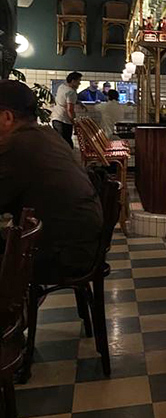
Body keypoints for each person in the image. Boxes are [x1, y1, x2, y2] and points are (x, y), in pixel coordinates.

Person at [0, 80, 103, 283]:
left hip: (63, 255)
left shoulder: (17, 145)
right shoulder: (47, 135)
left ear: (6, 117)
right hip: (83, 245)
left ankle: (11, 313)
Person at [52, 71, 82, 147]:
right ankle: (69, 158)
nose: (79, 83)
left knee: (60, 143)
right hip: (64, 121)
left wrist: (78, 102)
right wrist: (74, 123)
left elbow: (65, 99)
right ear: (73, 81)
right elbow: (70, 110)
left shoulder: (61, 87)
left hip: (55, 118)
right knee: (67, 144)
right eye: (79, 81)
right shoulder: (71, 92)